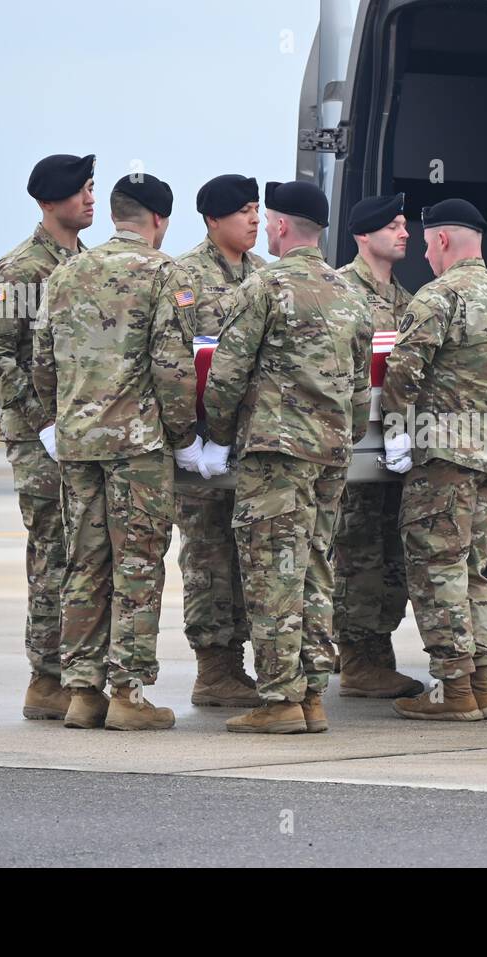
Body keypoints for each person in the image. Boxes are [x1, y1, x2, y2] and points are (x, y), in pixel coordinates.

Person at [32, 173, 201, 731]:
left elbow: (41, 362)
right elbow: (173, 368)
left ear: (114, 214)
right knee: (137, 564)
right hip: (138, 446)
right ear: (159, 220)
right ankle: (128, 692)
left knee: (85, 562)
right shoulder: (165, 273)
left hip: (79, 445)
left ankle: (82, 691)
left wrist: (64, 417)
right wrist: (184, 435)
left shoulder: (67, 273)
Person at [203, 180, 371, 734]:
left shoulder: (265, 286)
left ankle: (279, 699)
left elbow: (226, 375)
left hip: (275, 453)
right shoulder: (350, 293)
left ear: (279, 226)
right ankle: (312, 695)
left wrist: (219, 435)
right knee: (317, 569)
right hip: (331, 453)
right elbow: (362, 392)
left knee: (273, 572)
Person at [380, 198, 487, 721]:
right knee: (474, 567)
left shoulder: (437, 297)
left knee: (436, 565)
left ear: (443, 240)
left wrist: (399, 433)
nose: (424, 255)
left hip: (445, 453)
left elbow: (403, 371)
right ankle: (481, 682)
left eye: (426, 244)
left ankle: (452, 687)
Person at [0, 153, 94, 721]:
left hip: (85, 435)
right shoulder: (22, 271)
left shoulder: (87, 264)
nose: (91, 198)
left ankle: (77, 671)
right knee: (54, 554)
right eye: (80, 191)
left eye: (93, 188)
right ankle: (46, 678)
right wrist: (41, 422)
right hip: (40, 439)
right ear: (49, 204)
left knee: (86, 557)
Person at [174, 174, 266, 708]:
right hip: (205, 443)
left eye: (257, 210)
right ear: (213, 220)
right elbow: (174, 358)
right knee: (209, 554)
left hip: (253, 441)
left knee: (250, 552)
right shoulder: (184, 277)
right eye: (243, 211)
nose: (254, 219)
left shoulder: (264, 276)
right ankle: (215, 667)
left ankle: (245, 662)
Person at [332, 192, 424, 699]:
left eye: (405, 224)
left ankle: (374, 654)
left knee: (390, 555)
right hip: (354, 450)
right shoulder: (342, 291)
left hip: (392, 449)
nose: (404, 232)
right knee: (359, 553)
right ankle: (359, 659)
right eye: (392, 225)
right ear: (364, 235)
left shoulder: (408, 303)